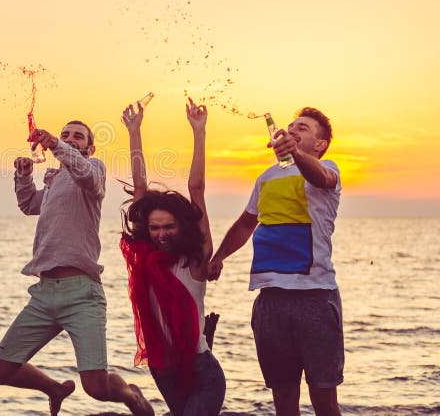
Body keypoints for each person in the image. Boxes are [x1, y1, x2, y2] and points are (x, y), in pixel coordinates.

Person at [0, 121, 154, 416]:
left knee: (96, 388)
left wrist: (55, 144)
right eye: (65, 134)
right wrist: (24, 176)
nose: (70, 139)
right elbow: (28, 205)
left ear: (90, 147)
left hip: (82, 293)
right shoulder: (54, 181)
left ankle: (133, 396)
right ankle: (54, 388)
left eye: (78, 136)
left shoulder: (94, 170)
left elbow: (85, 174)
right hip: (44, 294)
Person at [208, 108, 343, 416]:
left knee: (324, 399)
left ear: (320, 144)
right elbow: (245, 224)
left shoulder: (326, 168)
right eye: (292, 126)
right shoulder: (265, 177)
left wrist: (295, 153)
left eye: (304, 128)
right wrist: (218, 257)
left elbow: (320, 177)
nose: (294, 130)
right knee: (283, 399)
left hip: (316, 297)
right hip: (270, 299)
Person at [119, 98, 225, 416]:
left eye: (168, 227)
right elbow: (140, 186)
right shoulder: (144, 258)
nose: (161, 234)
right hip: (163, 369)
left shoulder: (194, 261)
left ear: (181, 227)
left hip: (203, 371)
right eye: (154, 228)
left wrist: (199, 131)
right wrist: (134, 132)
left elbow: (197, 188)